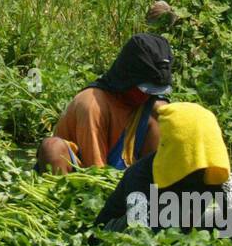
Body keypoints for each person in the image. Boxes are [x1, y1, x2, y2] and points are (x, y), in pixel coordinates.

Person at [95, 101, 232, 246]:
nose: (200, 168)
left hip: (182, 229)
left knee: (224, 213)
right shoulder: (143, 175)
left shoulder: (219, 173)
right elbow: (140, 236)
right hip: (122, 236)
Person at [36, 34, 172, 175]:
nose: (147, 96)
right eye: (143, 90)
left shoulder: (149, 105)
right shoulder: (92, 105)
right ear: (128, 80)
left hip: (126, 175)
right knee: (52, 147)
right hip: (83, 176)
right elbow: (95, 170)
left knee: (160, 111)